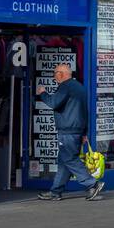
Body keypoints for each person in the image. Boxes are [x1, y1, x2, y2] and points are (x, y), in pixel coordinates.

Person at [36, 63, 104, 201]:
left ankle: (92, 184)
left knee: (70, 159)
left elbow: (54, 103)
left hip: (67, 131)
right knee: (63, 162)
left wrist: (42, 93)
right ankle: (56, 192)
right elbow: (84, 111)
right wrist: (84, 132)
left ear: (61, 74)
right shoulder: (79, 87)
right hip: (76, 130)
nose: (54, 77)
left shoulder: (65, 87)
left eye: (55, 73)